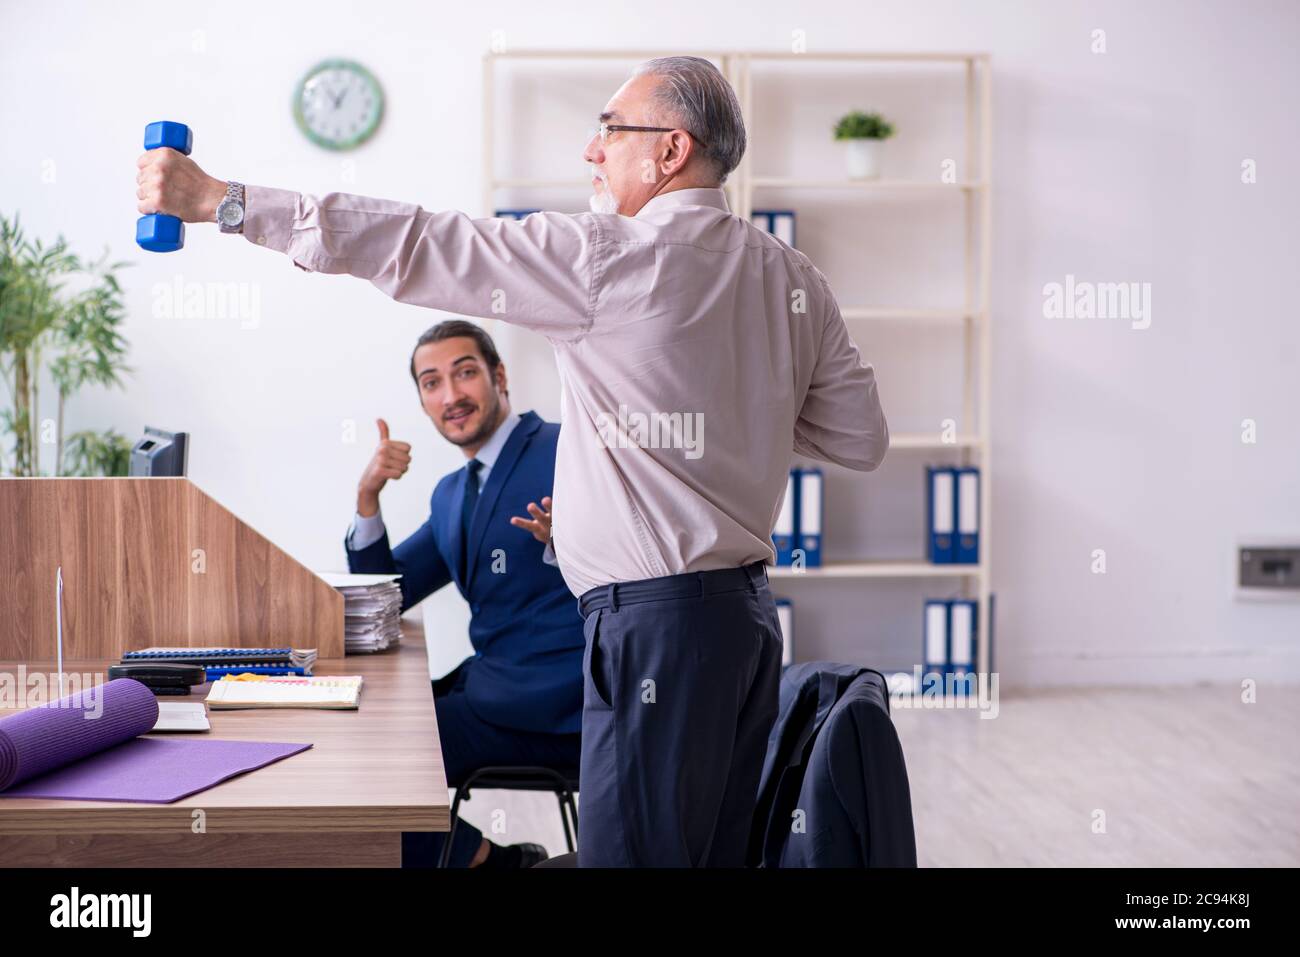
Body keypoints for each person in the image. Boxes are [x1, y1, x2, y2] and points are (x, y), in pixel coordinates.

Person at [135, 55, 889, 867]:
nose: (592, 150)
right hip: (745, 622)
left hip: (654, 632)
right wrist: (739, 407)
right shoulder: (790, 273)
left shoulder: (606, 255)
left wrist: (223, 202)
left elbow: (420, 242)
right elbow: (860, 437)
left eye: (610, 130)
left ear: (670, 150)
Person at [348, 319, 582, 869]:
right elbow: (387, 596)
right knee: (362, 733)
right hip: (495, 693)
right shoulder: (451, 493)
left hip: (562, 711)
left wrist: (575, 544)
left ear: (499, 377)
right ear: (423, 403)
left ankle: (482, 860)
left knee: (374, 754)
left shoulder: (565, 449)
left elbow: (639, 565)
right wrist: (367, 498)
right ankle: (485, 857)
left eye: (465, 373)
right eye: (432, 383)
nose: (451, 395)